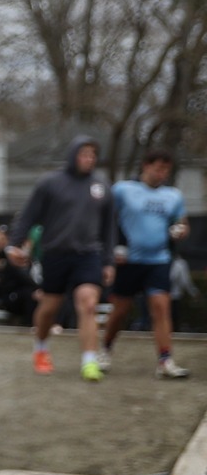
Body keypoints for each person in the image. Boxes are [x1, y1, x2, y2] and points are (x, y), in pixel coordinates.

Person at [11, 137, 113, 380]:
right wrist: (14, 245)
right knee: (50, 308)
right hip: (55, 254)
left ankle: (89, 361)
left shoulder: (102, 187)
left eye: (92, 155)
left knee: (88, 303)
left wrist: (108, 261)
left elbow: (109, 227)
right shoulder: (50, 183)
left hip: (88, 255)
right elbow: (28, 216)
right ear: (73, 154)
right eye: (83, 154)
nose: (88, 159)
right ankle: (41, 348)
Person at [100, 150, 189, 379]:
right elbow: (106, 217)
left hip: (158, 259)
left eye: (166, 170)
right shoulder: (124, 190)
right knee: (120, 311)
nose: (162, 174)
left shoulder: (173, 195)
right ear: (146, 166)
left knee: (161, 307)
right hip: (128, 260)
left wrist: (180, 230)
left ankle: (165, 360)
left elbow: (182, 222)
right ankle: (105, 349)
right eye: (159, 168)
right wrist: (114, 247)